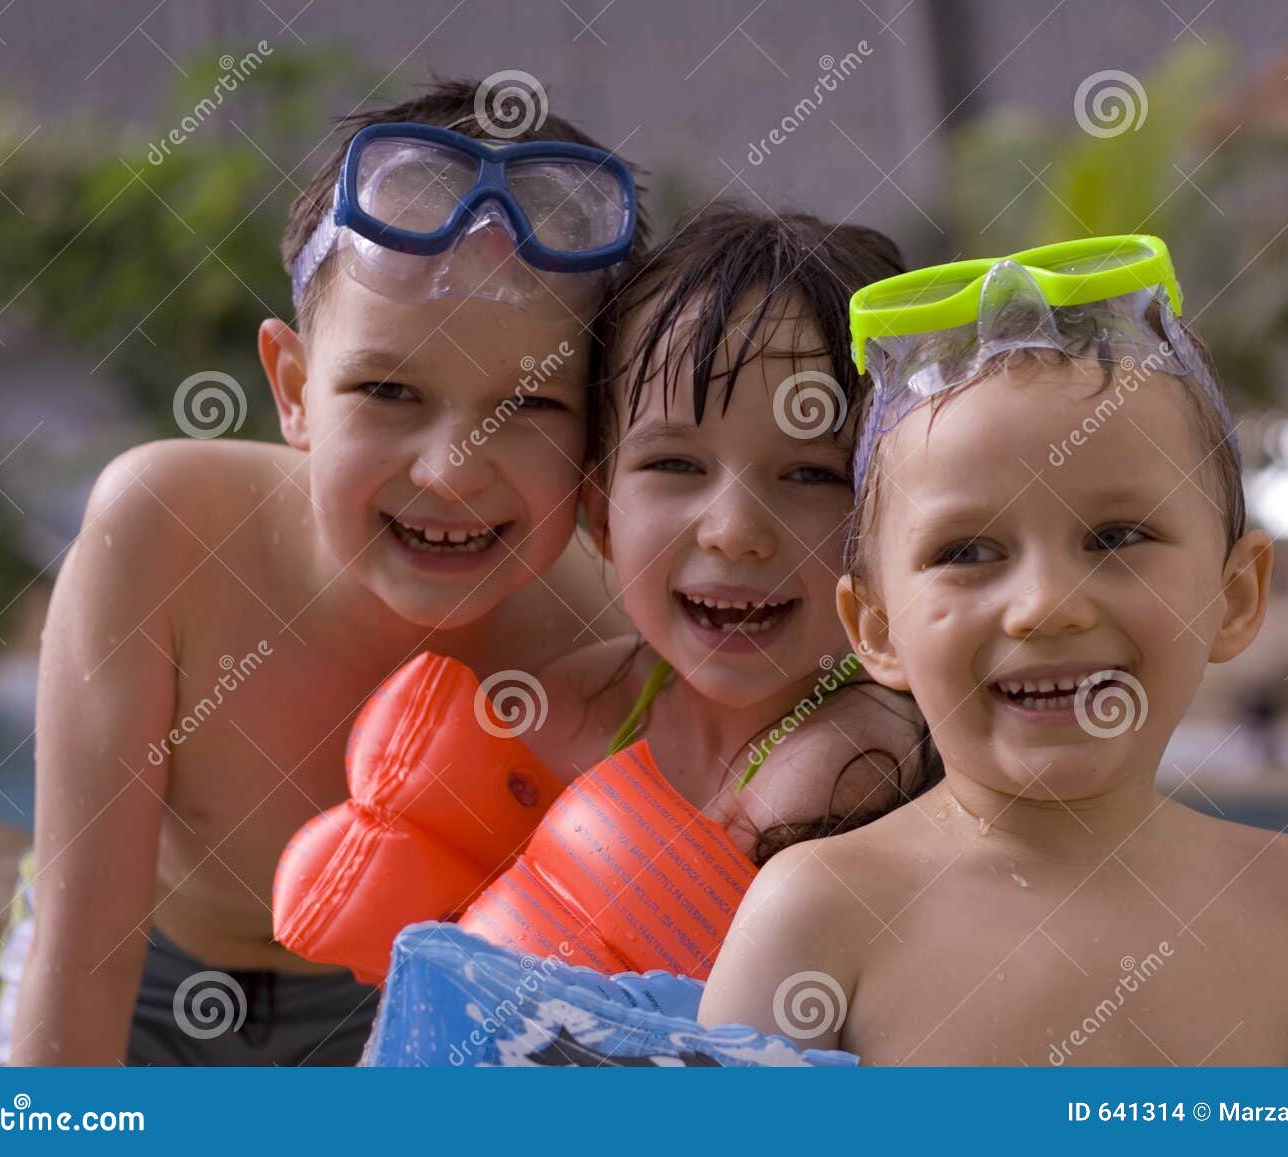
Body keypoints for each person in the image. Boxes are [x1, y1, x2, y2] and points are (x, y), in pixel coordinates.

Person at [0, 78, 646, 1066]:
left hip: (392, 1020)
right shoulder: (167, 534)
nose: (451, 470)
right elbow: (83, 962)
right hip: (138, 978)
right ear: (294, 389)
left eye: (529, 407)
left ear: (600, 432)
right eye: (388, 390)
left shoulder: (610, 635)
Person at [699, 236, 1288, 1065]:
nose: (1047, 606)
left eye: (1116, 537)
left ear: (1234, 595)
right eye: (967, 552)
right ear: (876, 627)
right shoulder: (820, 916)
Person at [273, 205, 934, 985]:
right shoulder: (566, 712)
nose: (733, 531)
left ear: (896, 522)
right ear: (599, 510)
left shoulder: (873, 753)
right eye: (675, 466)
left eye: (812, 474)